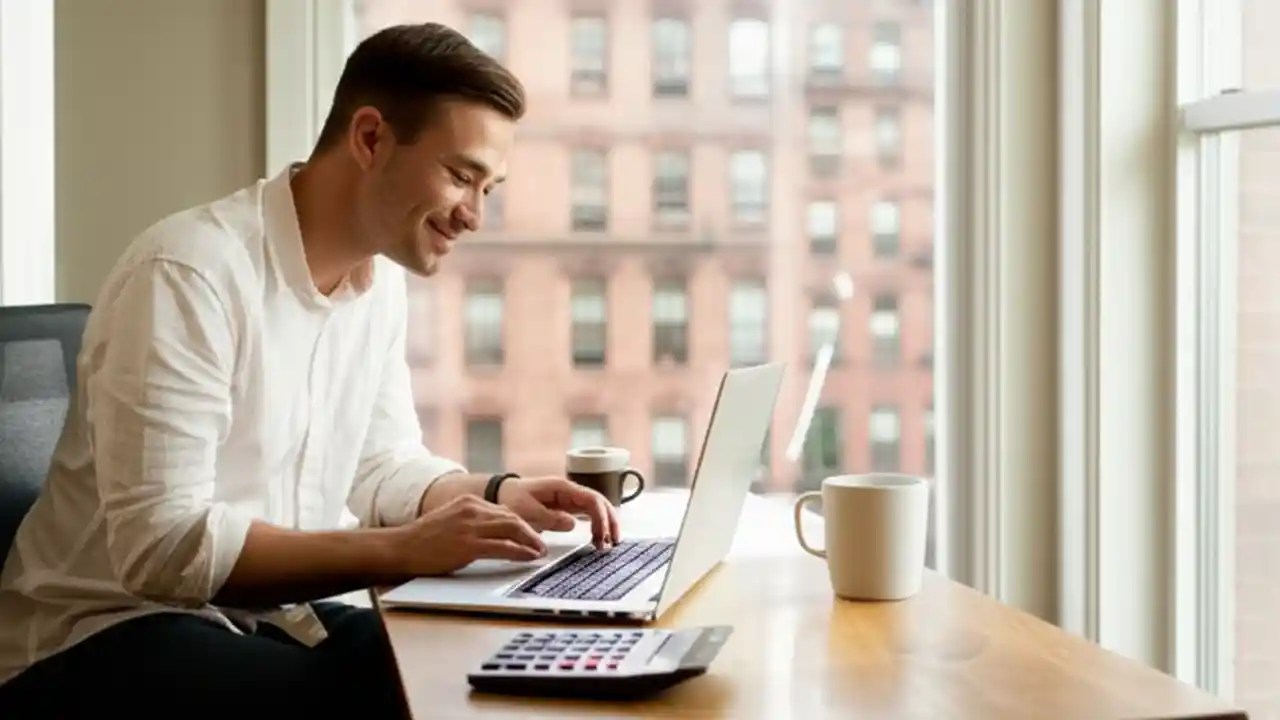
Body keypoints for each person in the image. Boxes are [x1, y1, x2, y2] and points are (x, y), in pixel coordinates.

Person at [0, 22, 620, 718]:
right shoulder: (187, 274)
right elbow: (164, 551)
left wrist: (495, 495)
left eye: (489, 188)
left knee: (472, 663)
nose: (473, 216)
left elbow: (379, 466)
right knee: (368, 702)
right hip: (100, 633)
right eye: (460, 176)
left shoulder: (376, 287)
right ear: (370, 139)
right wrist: (401, 550)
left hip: (252, 616)